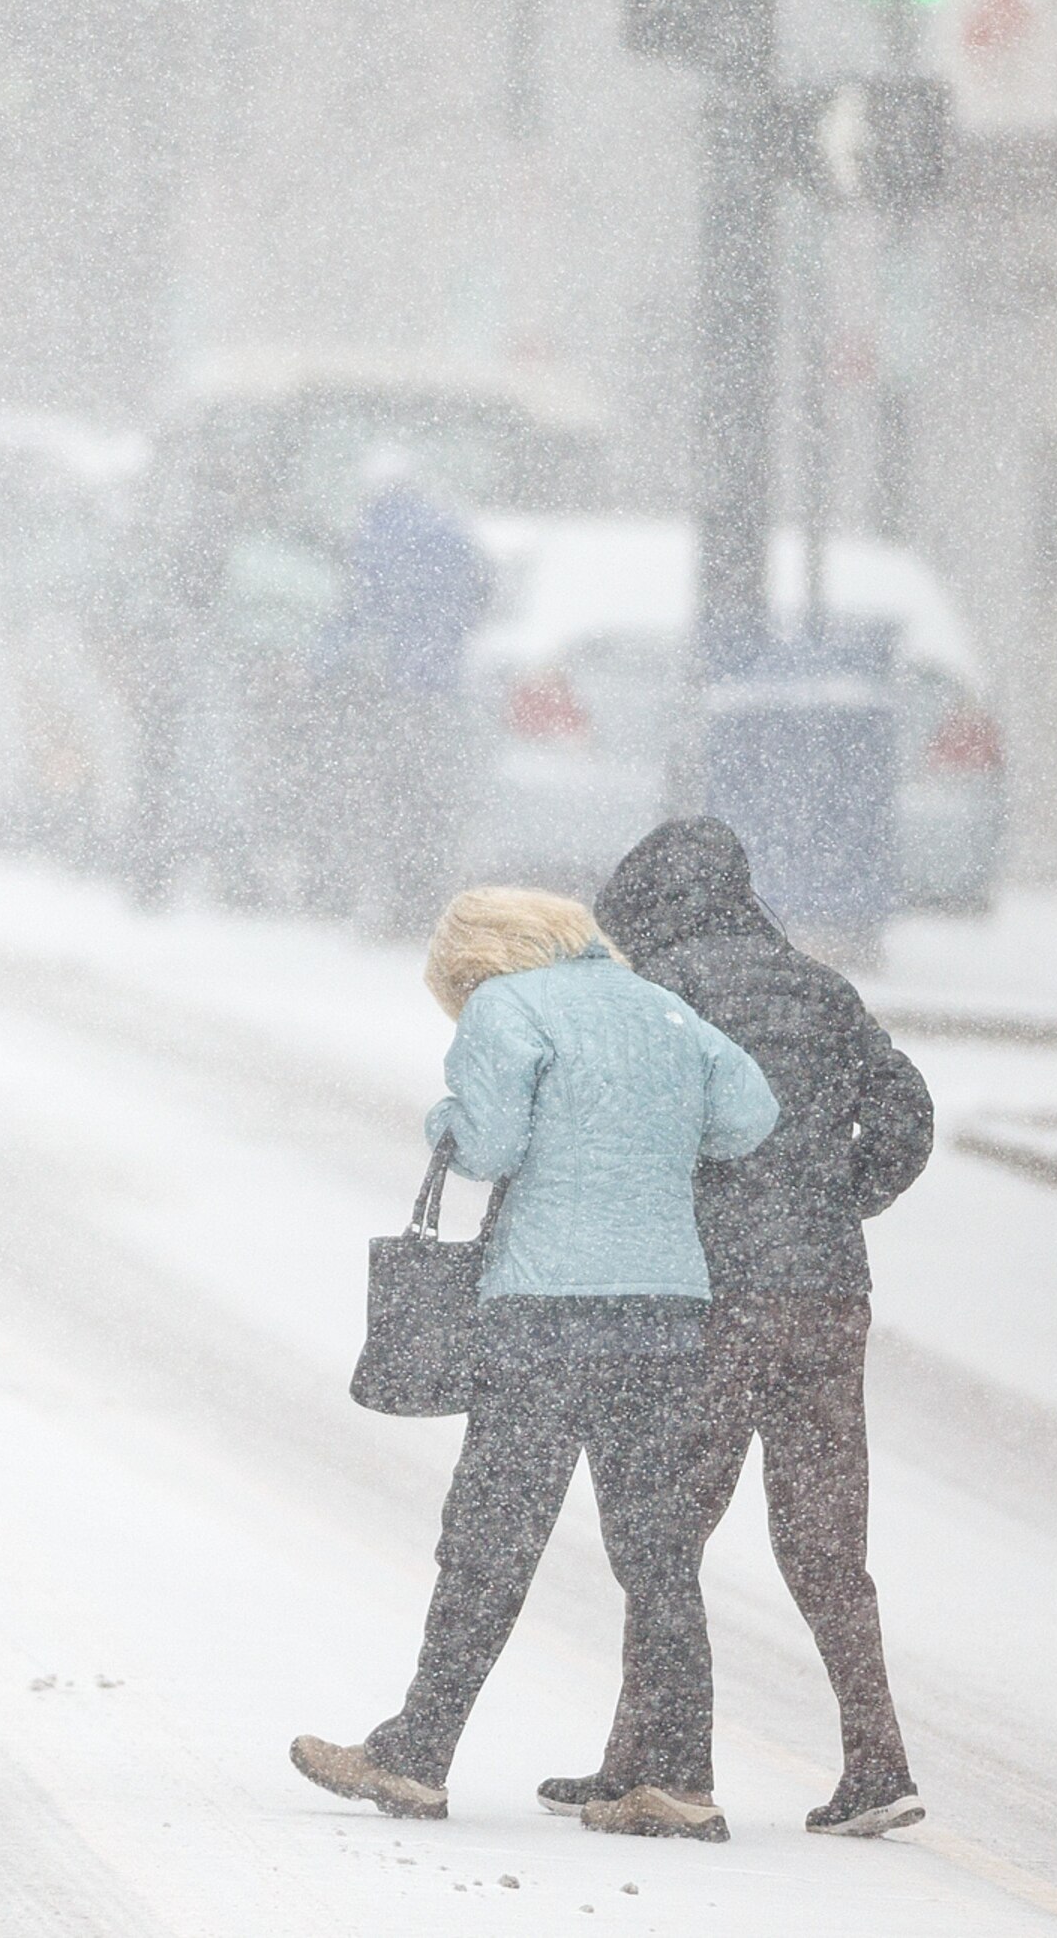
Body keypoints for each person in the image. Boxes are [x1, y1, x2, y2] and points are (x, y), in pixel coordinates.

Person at [293, 887, 777, 1841]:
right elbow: (748, 1118)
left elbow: (490, 1143)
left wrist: (446, 1119)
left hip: (545, 1313)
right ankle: (680, 1778)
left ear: (472, 961)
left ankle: (415, 1757)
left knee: (491, 1542)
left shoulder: (506, 1007)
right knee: (658, 1554)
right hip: (664, 1315)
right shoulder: (661, 1006)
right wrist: (649, 1145)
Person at [541, 818, 937, 1839]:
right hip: (826, 1298)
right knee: (825, 1540)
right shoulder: (819, 985)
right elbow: (907, 1110)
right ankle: (877, 1759)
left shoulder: (660, 991)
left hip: (714, 1296)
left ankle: (670, 1770)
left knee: (662, 1531)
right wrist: (835, 1198)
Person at [311, 447, 491, 933]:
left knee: (389, 797)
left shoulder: (377, 533)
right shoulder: (449, 529)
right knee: (432, 799)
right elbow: (478, 595)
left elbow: (360, 606)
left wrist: (326, 663)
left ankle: (396, 903)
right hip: (441, 686)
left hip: (391, 687)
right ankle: (428, 901)